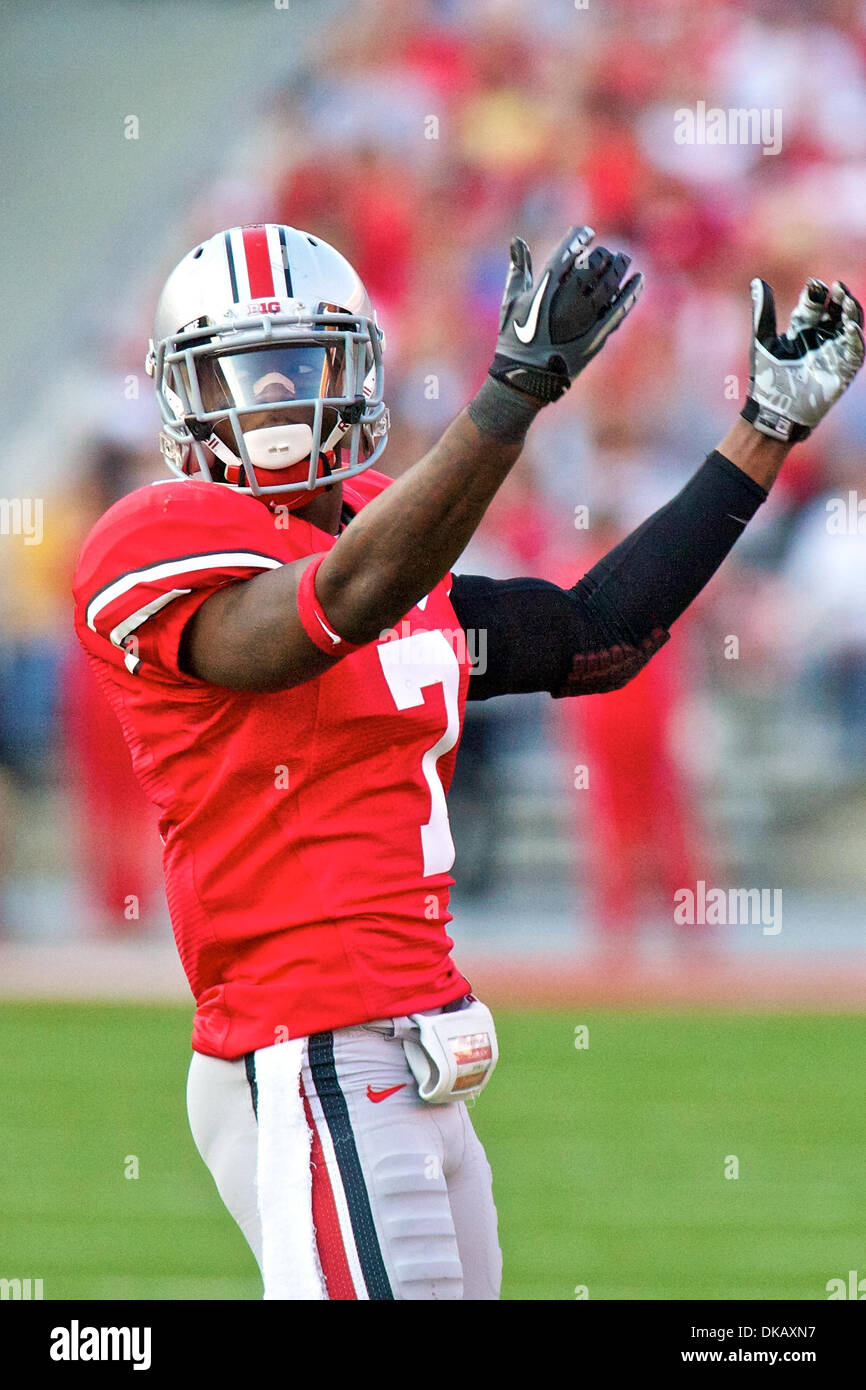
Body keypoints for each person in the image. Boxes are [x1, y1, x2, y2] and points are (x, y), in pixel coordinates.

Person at [72, 223, 862, 1299]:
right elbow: (329, 608)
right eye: (245, 373)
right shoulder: (158, 538)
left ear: (355, 368)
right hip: (309, 1045)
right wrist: (512, 396)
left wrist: (764, 430)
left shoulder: (397, 550)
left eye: (304, 364)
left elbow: (597, 635)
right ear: (181, 390)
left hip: (424, 1049)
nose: (278, 399)